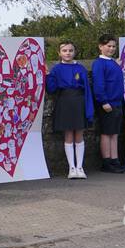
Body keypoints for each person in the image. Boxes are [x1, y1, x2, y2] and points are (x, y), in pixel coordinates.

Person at [46, 40, 94, 179]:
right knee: (68, 135)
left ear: (75, 52)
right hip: (64, 102)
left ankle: (80, 167)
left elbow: (87, 90)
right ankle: (71, 168)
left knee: (79, 134)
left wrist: (88, 108)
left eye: (70, 50)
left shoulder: (80, 69)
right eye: (65, 50)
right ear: (59, 53)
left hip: (79, 102)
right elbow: (51, 89)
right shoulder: (56, 69)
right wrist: (48, 75)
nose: (68, 53)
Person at [91, 34, 125, 173]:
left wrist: (116, 65)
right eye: (109, 46)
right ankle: (106, 162)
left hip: (117, 102)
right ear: (101, 47)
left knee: (114, 133)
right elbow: (98, 84)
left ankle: (115, 161)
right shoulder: (98, 63)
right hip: (107, 104)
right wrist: (103, 101)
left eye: (114, 46)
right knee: (106, 133)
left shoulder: (113, 62)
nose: (112, 48)